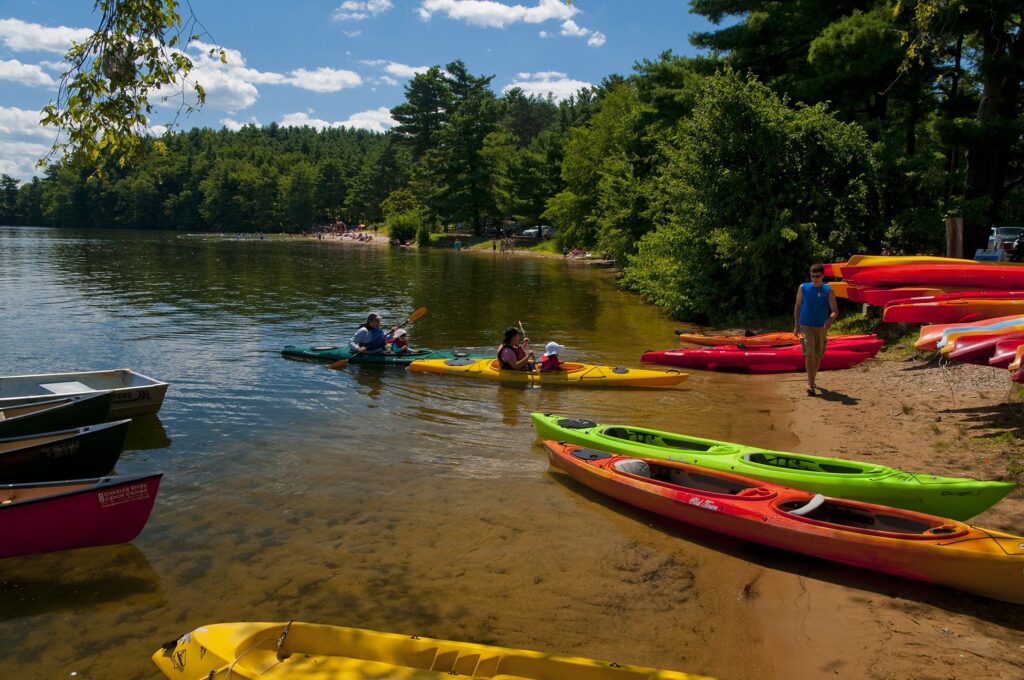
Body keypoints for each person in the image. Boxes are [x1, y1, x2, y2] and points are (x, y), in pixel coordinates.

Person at [794, 263, 838, 395]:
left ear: (822, 276)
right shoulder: (803, 287)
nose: (815, 279)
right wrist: (796, 325)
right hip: (806, 325)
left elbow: (835, 311)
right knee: (809, 354)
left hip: (821, 327)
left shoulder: (828, 290)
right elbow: (797, 306)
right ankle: (810, 383)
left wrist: (829, 320)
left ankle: (812, 380)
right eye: (812, 276)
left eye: (817, 276)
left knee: (818, 356)